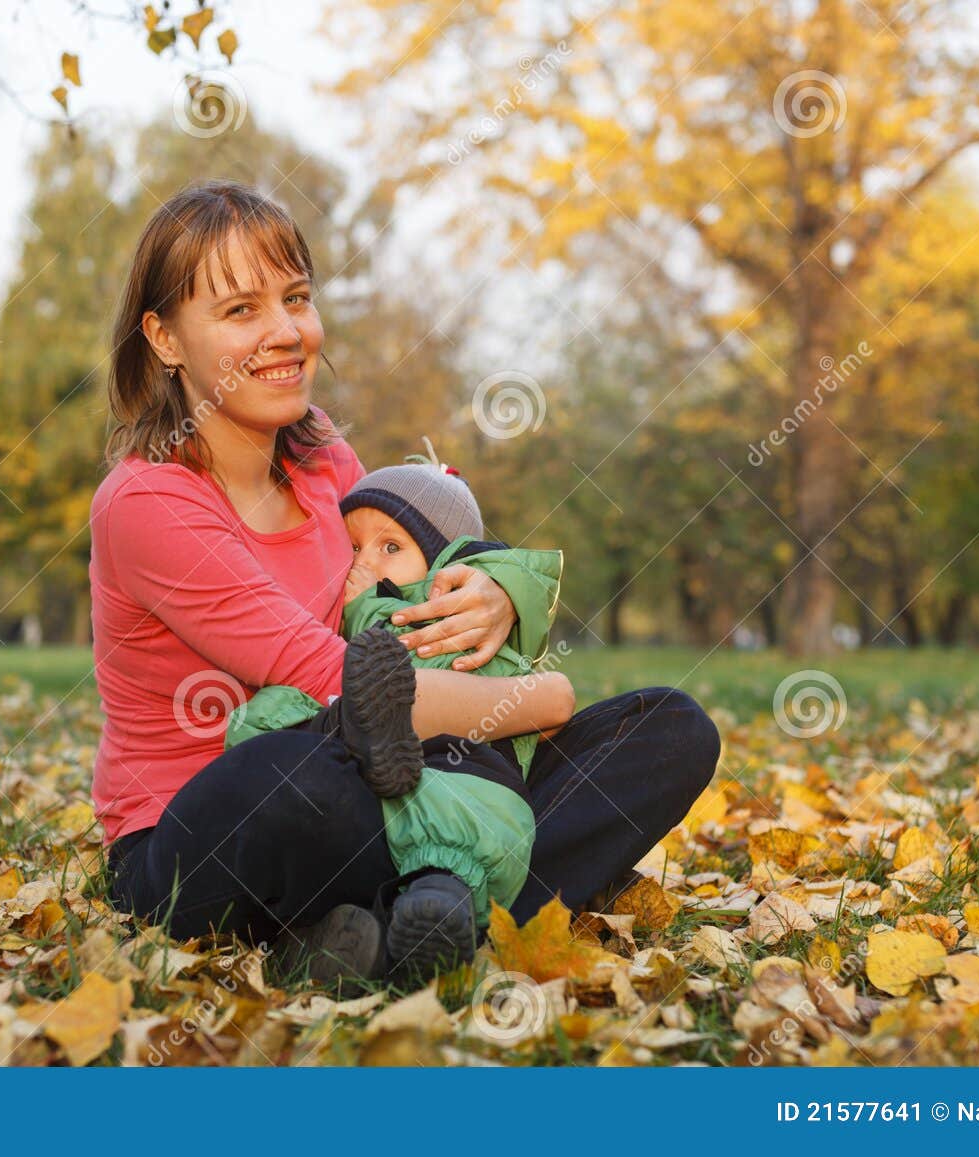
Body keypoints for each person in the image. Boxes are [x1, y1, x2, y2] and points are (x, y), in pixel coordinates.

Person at [90, 178, 723, 987]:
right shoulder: (147, 501)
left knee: (669, 729)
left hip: (396, 789)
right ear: (165, 337)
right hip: (209, 831)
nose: (287, 332)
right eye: (241, 310)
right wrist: (546, 699)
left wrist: (495, 593)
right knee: (294, 775)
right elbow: (348, 684)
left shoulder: (327, 466)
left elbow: (409, 603)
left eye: (296, 298)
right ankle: (441, 910)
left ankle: (396, 926)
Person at [220, 441, 566, 976]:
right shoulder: (344, 621)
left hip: (462, 769)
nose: (362, 563)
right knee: (275, 724)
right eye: (352, 546)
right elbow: (325, 673)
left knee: (454, 837)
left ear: (448, 557)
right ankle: (373, 935)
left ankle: (434, 915)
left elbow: (517, 588)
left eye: (390, 548)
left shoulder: (465, 608)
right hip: (370, 781)